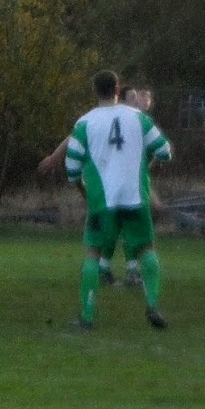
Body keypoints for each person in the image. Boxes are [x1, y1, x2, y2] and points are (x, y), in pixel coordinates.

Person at [64, 69, 173, 329]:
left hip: (103, 200)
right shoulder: (138, 118)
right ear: (118, 89)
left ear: (94, 91)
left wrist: (82, 189)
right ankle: (153, 306)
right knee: (146, 248)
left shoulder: (85, 123)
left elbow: (71, 167)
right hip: (136, 196)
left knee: (93, 253)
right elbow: (165, 151)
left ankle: (87, 317)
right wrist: (147, 165)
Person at [39, 84, 164, 287]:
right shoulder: (116, 120)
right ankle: (119, 269)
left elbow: (155, 155)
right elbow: (75, 135)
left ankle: (115, 268)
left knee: (127, 223)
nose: (137, 101)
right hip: (110, 183)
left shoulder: (138, 121)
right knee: (125, 222)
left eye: (137, 97)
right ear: (121, 99)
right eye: (132, 97)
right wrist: (55, 157)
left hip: (125, 183)